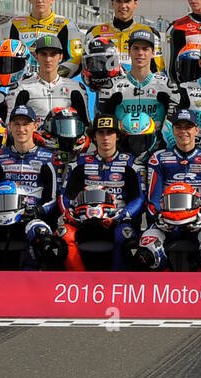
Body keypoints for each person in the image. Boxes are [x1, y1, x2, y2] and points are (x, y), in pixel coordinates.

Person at [0, 104, 65, 270]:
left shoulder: (49, 158)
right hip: (0, 216)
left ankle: (33, 282)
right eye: (17, 124)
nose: (21, 129)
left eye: (26, 124)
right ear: (10, 126)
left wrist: (38, 211)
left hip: (31, 216)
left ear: (35, 126)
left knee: (41, 235)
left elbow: (54, 199)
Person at [137, 110, 201, 271]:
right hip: (166, 222)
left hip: (200, 222)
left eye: (188, 127)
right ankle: (164, 289)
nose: (183, 132)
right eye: (179, 127)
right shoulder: (158, 158)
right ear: (173, 130)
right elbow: (153, 199)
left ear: (196, 130)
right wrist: (159, 217)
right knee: (147, 249)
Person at [55, 115, 144, 271]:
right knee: (63, 234)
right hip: (83, 221)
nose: (105, 137)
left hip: (118, 220)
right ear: (94, 137)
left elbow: (139, 199)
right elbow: (65, 196)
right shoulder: (79, 162)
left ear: (118, 136)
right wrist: (71, 215)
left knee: (126, 235)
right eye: (100, 133)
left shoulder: (132, 163)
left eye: (110, 132)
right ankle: (78, 286)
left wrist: (121, 216)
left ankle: (116, 285)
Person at [94, 27, 177, 143]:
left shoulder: (167, 86)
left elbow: (174, 126)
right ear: (129, 52)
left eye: (145, 49)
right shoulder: (112, 86)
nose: (140, 53)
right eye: (136, 48)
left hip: (157, 149)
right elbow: (104, 127)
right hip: (122, 149)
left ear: (153, 53)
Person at [5, 34, 91, 133]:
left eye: (53, 54)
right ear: (36, 56)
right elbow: (10, 127)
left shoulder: (76, 88)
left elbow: (86, 126)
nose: (48, 59)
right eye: (43, 54)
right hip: (33, 146)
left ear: (61, 57)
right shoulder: (20, 88)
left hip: (65, 146)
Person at [9, 0, 83, 77]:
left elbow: (75, 60)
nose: (40, 0)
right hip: (22, 82)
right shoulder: (15, 23)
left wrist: (50, 76)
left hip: (55, 84)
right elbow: (7, 55)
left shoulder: (66, 24)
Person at [85, 0, 166, 72]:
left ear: (135, 4)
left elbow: (159, 70)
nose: (123, 6)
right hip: (104, 85)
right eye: (118, 1)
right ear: (113, 3)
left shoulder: (150, 32)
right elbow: (85, 65)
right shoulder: (94, 32)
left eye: (127, 1)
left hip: (137, 84)